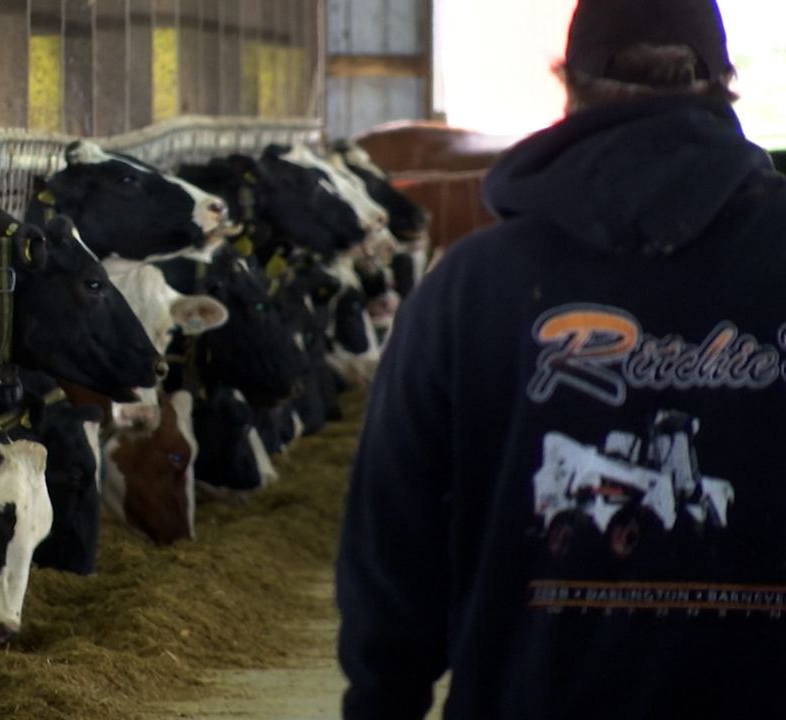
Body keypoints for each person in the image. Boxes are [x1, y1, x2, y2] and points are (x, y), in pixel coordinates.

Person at [335, 1, 786, 718]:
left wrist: (380, 700)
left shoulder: (469, 287)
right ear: (726, 84)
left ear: (568, 84)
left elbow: (395, 536)